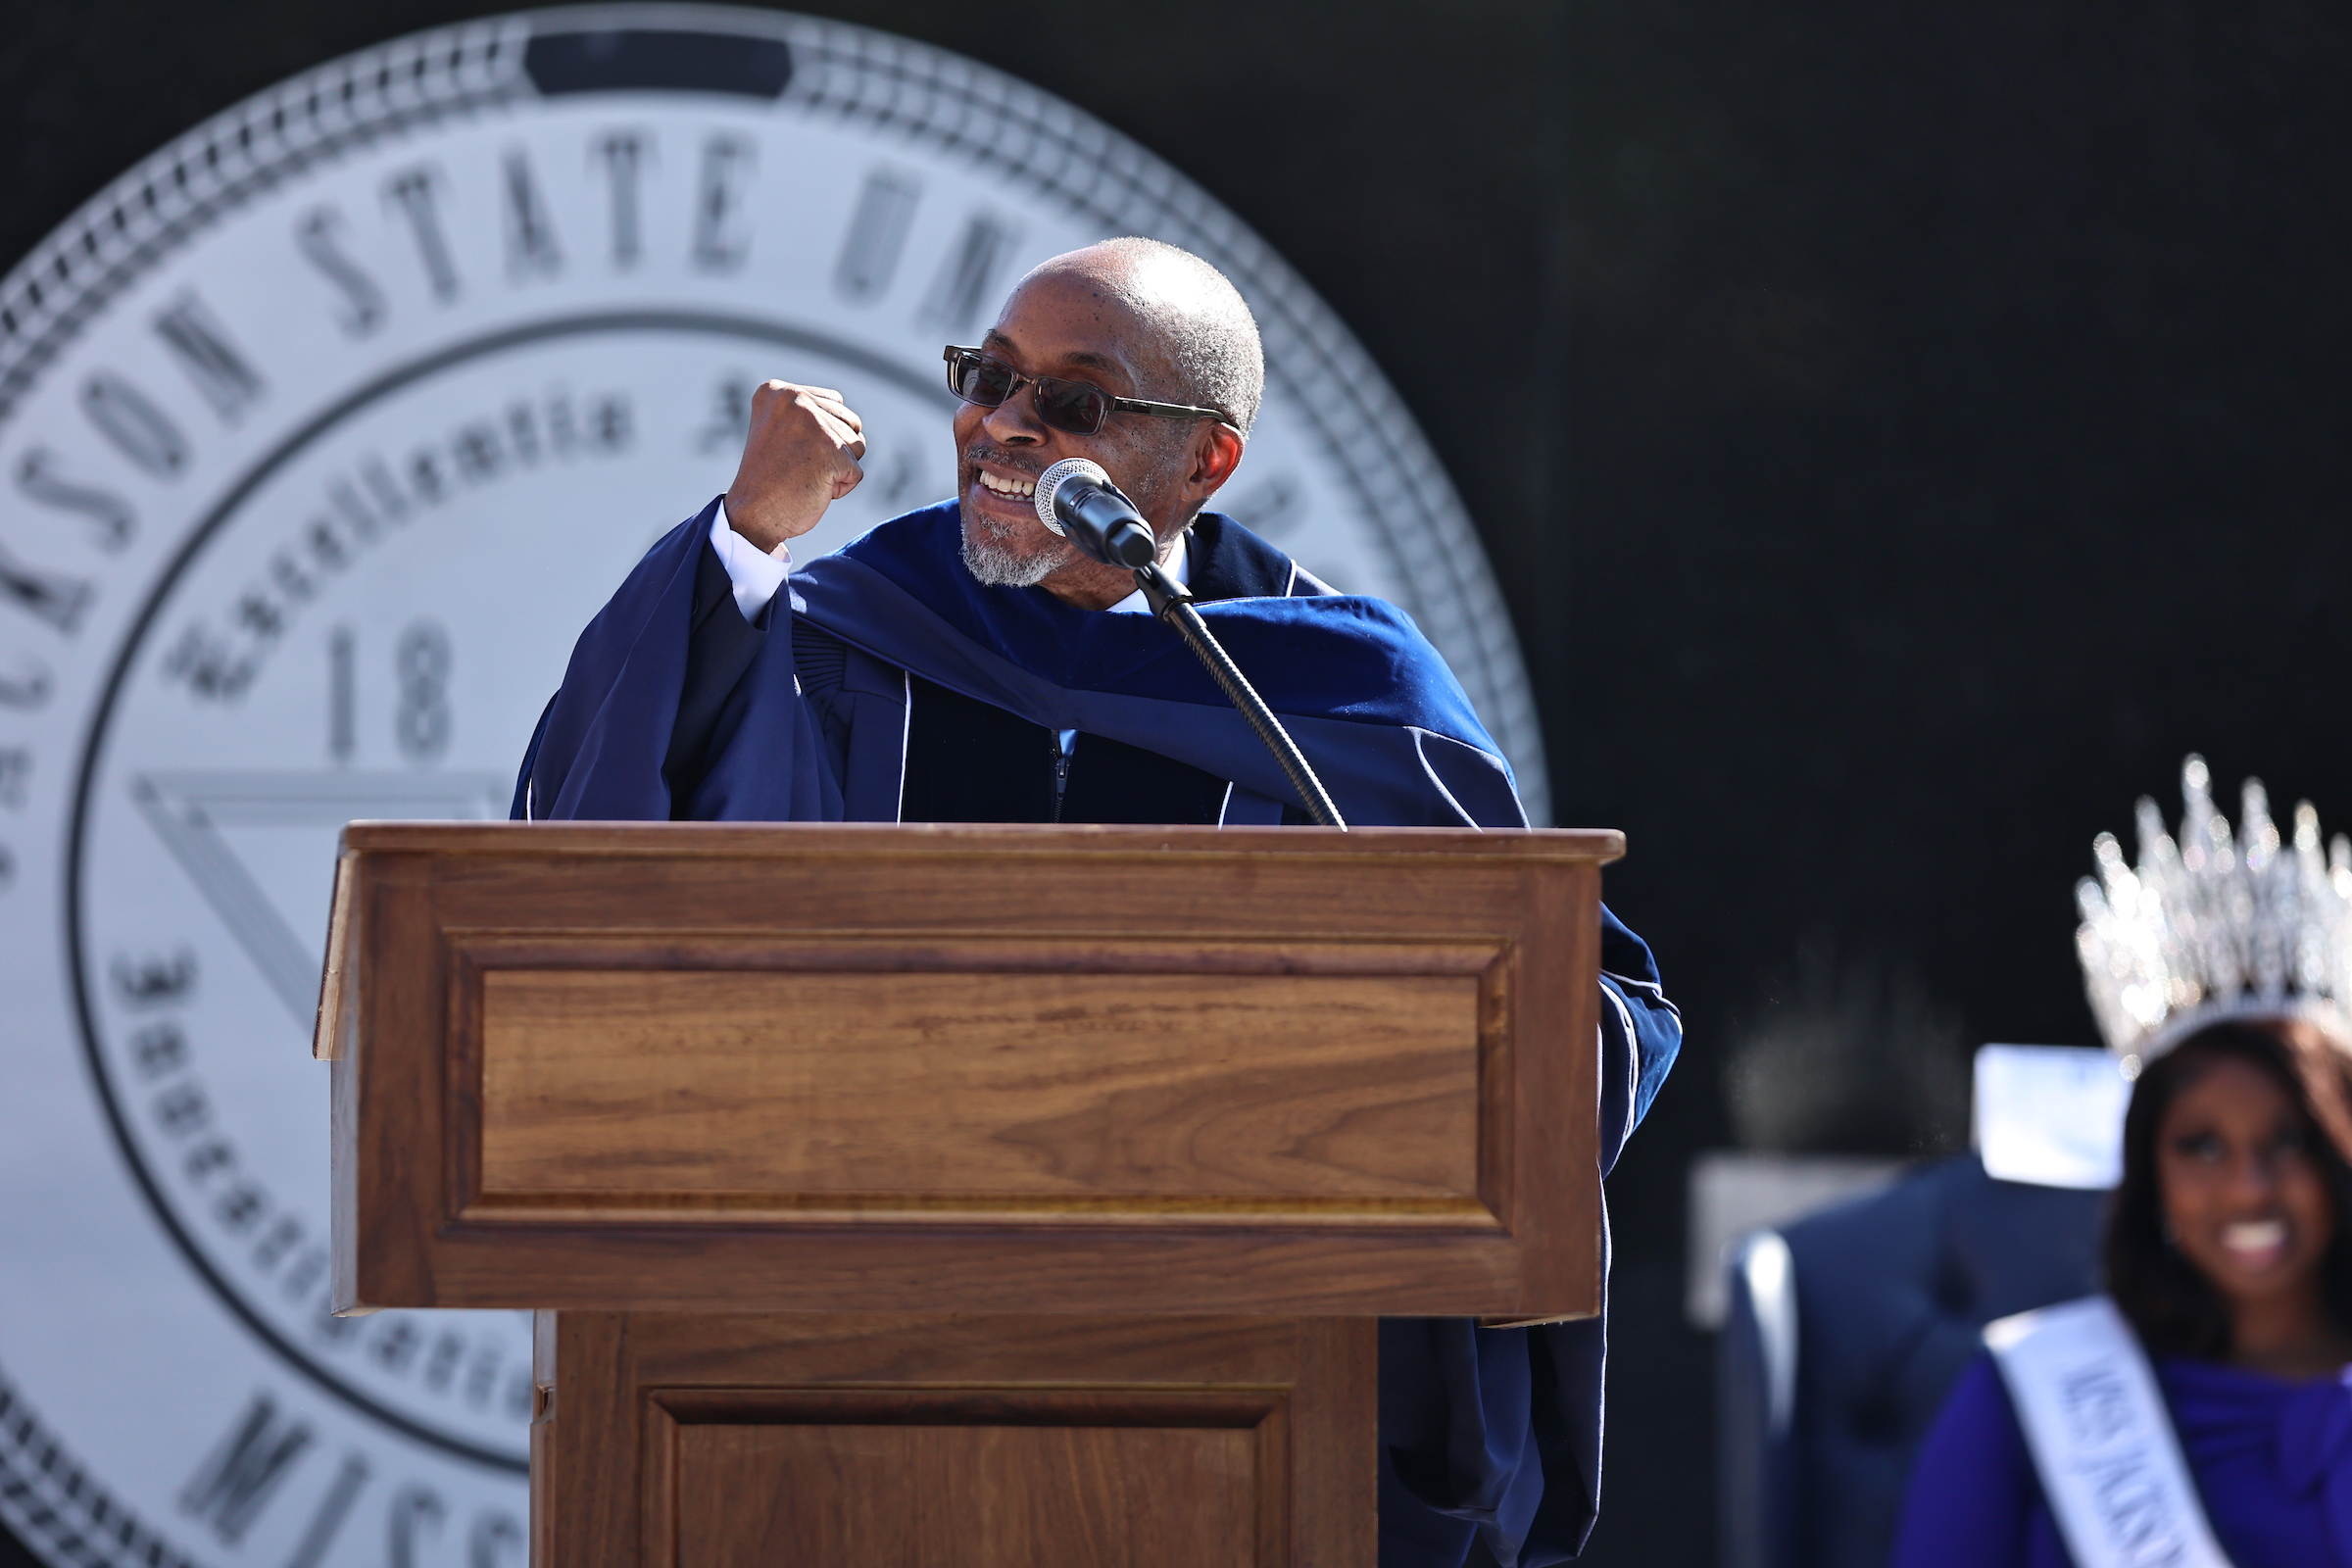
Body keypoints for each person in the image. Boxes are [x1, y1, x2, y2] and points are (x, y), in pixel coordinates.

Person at [513, 236, 1683, 1567]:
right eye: (988, 376)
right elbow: (582, 848)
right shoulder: (842, 624)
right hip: (834, 1392)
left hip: (1240, 1413)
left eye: (1074, 401)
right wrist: (745, 535)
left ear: (1204, 462)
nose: (1005, 425)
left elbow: (1579, 1005)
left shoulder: (1339, 697)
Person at [1892, 760, 2352, 1568]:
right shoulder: (2026, 1394)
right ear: (2147, 1172)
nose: (2249, 1188)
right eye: (2201, 1146)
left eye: (2290, 1141)